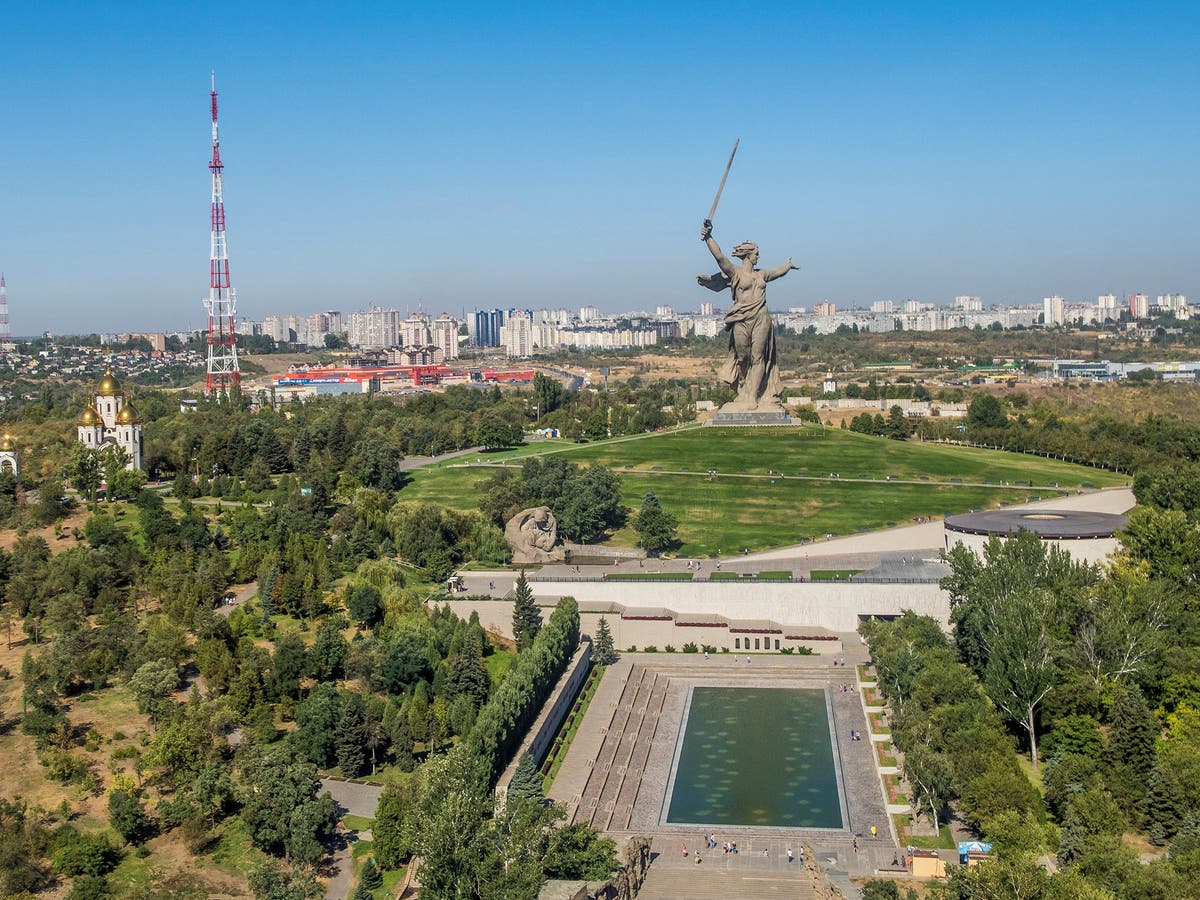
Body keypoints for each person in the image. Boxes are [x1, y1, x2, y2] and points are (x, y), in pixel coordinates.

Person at [698, 220, 798, 411]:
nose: (758, 257)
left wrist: (788, 265)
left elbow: (778, 272)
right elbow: (719, 257)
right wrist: (708, 237)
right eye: (756, 254)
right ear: (748, 255)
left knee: (758, 357)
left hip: (761, 317)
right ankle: (746, 389)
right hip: (741, 319)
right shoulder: (735, 273)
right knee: (743, 357)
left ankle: (752, 397)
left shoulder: (762, 275)